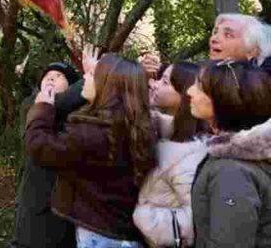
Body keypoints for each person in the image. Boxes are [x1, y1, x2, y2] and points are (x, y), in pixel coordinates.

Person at [26, 52, 155, 248]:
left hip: (102, 238)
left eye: (92, 74)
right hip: (121, 232)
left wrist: (43, 107)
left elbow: (40, 146)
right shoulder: (132, 122)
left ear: (108, 85)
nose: (84, 77)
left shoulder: (96, 131)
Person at [187, 60, 271, 248]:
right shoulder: (233, 157)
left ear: (225, 98)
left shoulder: (231, 171)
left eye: (199, 86)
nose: (189, 92)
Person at [11, 62, 83, 248]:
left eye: (59, 76)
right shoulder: (30, 105)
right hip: (35, 207)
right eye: (48, 75)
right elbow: (59, 103)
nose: (52, 78)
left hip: (69, 209)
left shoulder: (80, 111)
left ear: (70, 85)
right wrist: (92, 76)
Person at [134, 62, 206, 247]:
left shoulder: (189, 153)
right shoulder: (164, 132)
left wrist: (143, 216)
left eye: (165, 82)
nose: (154, 84)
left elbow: (195, 218)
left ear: (185, 95)